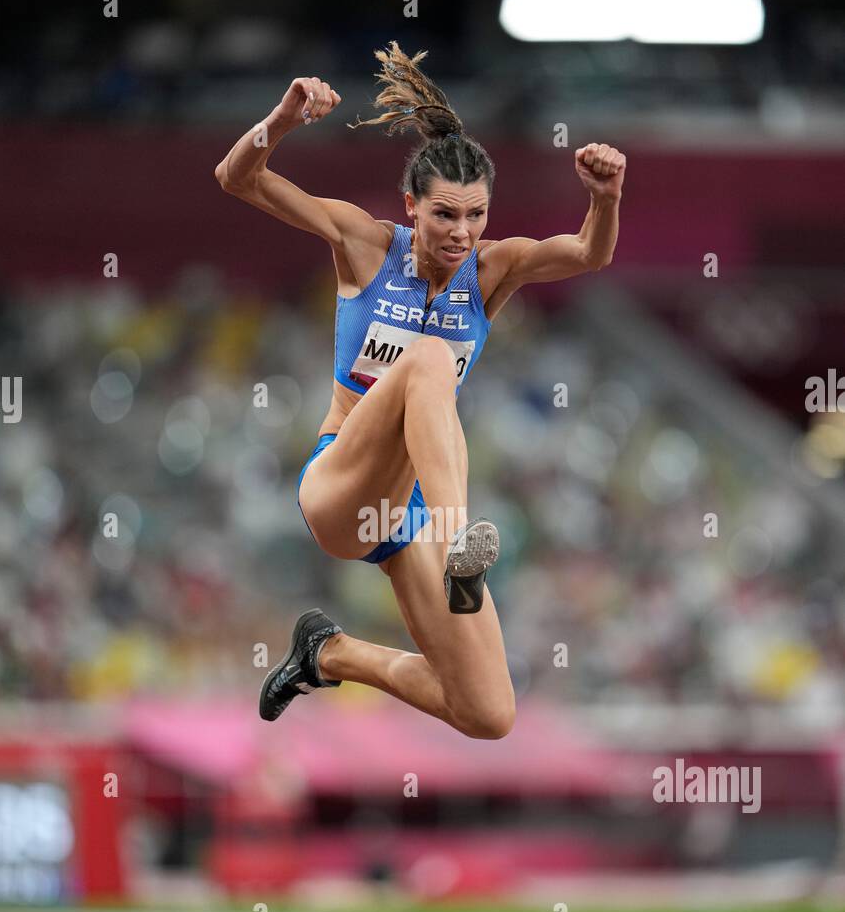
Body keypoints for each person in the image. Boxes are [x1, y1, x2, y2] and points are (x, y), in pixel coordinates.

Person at [214, 41, 625, 738]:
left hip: (406, 517)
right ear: (411, 206)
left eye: (476, 215)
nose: (462, 233)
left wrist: (606, 197)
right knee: (431, 358)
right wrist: (282, 119)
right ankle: (459, 538)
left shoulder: (494, 270)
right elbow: (236, 178)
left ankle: (330, 653)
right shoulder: (364, 243)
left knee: (488, 713)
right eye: (444, 216)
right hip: (341, 483)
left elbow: (590, 252)